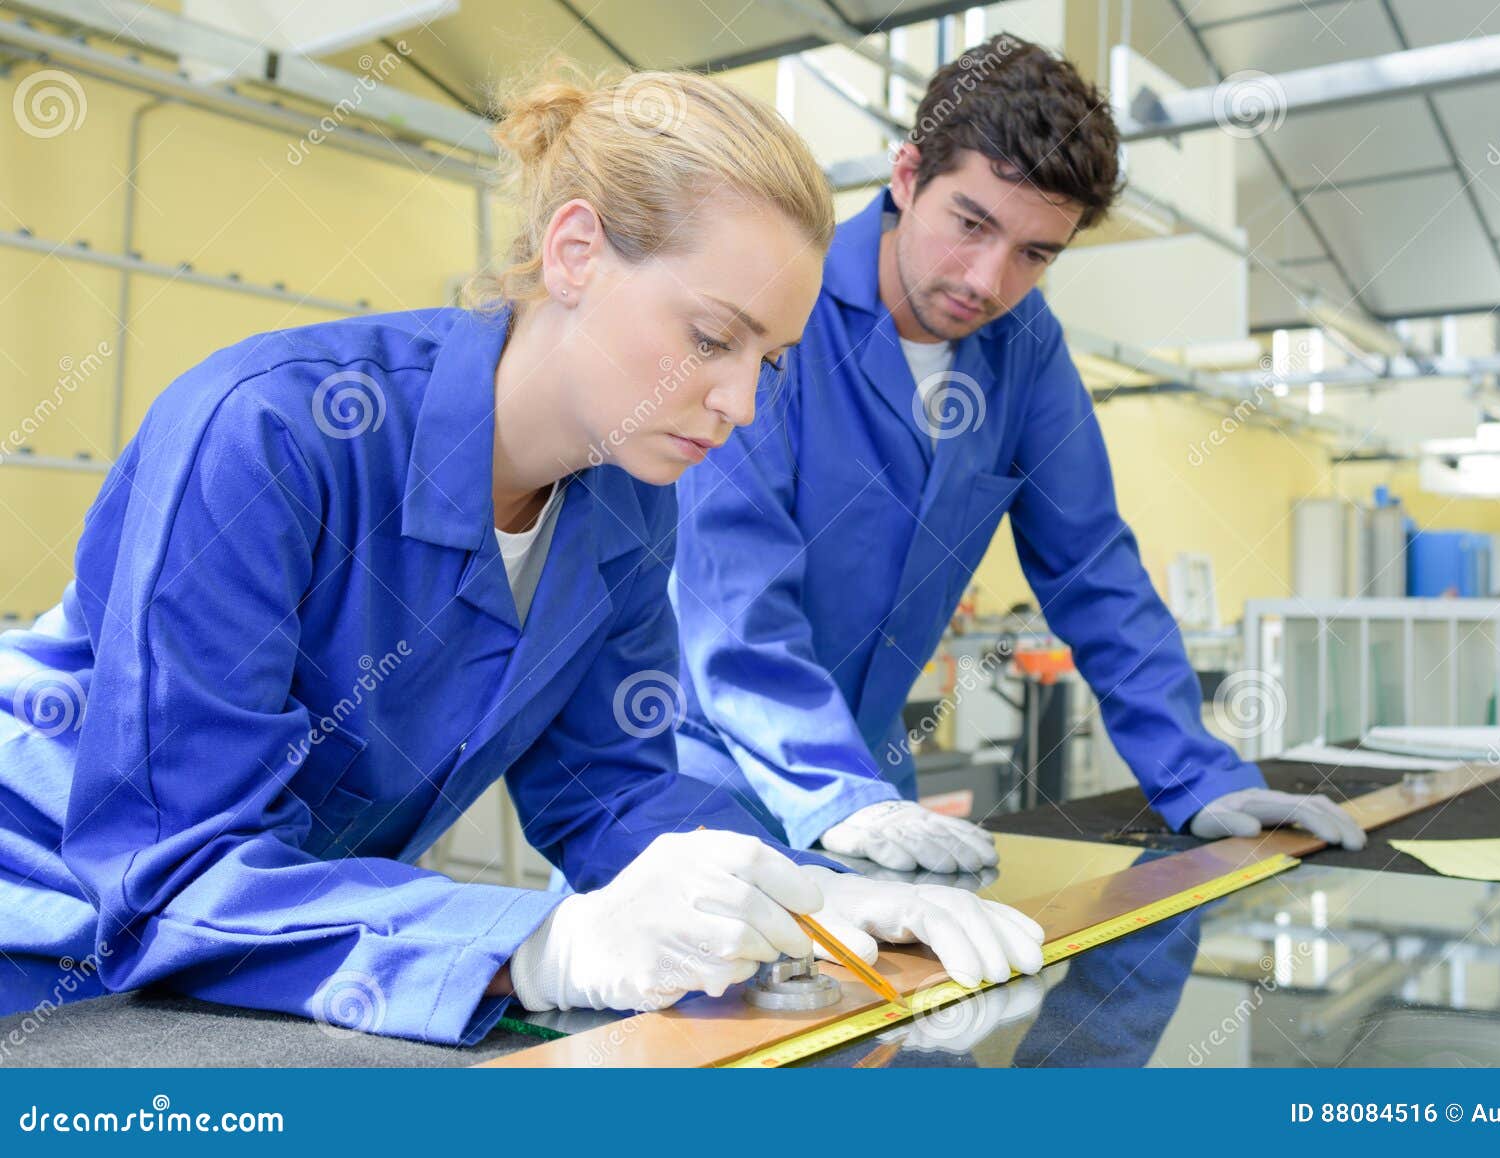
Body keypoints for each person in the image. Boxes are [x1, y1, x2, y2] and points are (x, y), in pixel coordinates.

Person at [0, 68, 1043, 1043]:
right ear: (574, 252)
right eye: (712, 338)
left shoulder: (627, 507)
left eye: (769, 361)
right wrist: (538, 946)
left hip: (257, 966)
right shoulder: (270, 433)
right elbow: (171, 871)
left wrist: (812, 892)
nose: (741, 404)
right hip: (45, 932)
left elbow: (609, 792)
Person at [671, 35, 1366, 875]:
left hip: (872, 778)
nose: (988, 280)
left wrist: (1197, 772)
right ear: (907, 176)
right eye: (971, 224)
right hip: (700, 766)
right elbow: (733, 591)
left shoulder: (1024, 348)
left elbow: (1093, 567)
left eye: (1035, 253)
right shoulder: (786, 302)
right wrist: (837, 794)